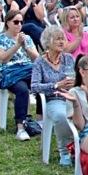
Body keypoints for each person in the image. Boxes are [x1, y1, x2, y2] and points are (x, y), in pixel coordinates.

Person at [31, 25, 77, 166]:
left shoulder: (68, 58)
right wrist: (56, 85)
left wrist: (75, 82)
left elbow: (78, 79)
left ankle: (83, 148)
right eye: (58, 39)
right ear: (48, 42)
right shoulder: (39, 62)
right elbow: (34, 86)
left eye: (63, 39)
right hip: (53, 99)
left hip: (72, 96)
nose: (62, 42)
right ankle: (65, 151)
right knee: (61, 115)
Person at [0, 10, 40, 140]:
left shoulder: (27, 38)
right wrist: (17, 45)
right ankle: (20, 127)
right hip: (9, 71)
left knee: (44, 82)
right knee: (22, 90)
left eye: (21, 22)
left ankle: (41, 119)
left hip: (27, 69)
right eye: (16, 22)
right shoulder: (0, 39)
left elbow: (37, 59)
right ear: (8, 22)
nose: (19, 25)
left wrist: (26, 47)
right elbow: (2, 59)